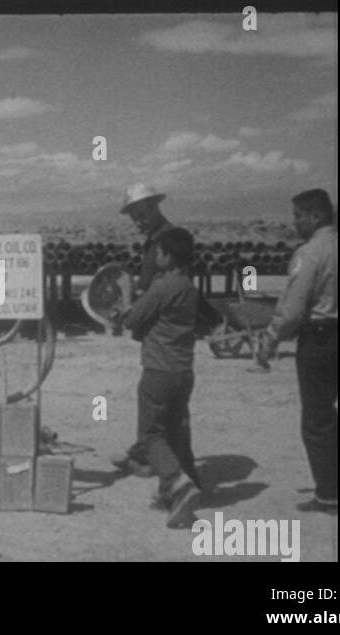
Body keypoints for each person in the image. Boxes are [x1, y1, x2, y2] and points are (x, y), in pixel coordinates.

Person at [110, 183, 218, 477]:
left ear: (154, 207)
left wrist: (132, 304)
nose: (138, 220)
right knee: (172, 415)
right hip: (170, 343)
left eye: (141, 213)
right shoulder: (156, 240)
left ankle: (164, 467)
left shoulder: (168, 240)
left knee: (161, 412)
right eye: (134, 216)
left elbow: (165, 291)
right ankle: (163, 463)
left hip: (162, 338)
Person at [257, 189, 337, 514]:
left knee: (318, 419)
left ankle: (330, 494)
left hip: (320, 340)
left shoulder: (311, 252)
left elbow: (292, 309)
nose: (294, 223)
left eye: (298, 216)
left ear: (315, 216)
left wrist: (269, 341)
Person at [118, 227, 204, 528]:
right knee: (176, 430)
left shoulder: (164, 286)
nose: (155, 257)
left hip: (159, 370)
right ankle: (183, 490)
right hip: (183, 370)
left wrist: (126, 298)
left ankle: (176, 481)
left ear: (167, 255)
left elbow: (133, 319)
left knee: (151, 435)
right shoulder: (189, 287)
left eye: (158, 252)